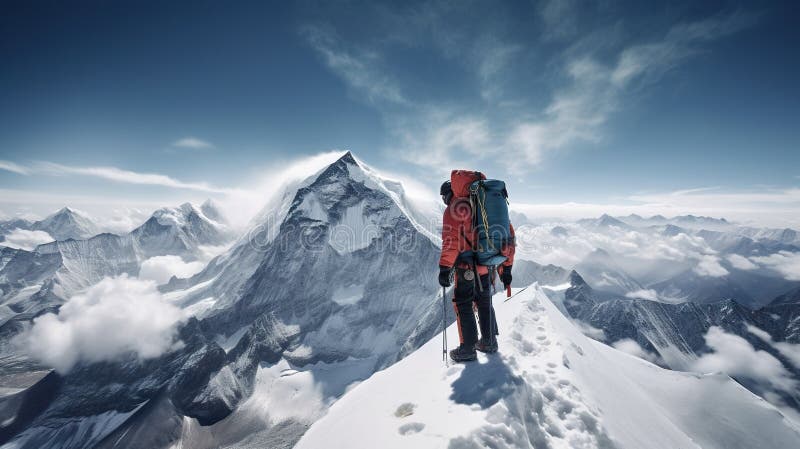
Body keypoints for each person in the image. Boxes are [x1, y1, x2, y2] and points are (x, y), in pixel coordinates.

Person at [438, 179, 515, 362]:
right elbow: (508, 235)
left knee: (463, 304)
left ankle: (468, 348)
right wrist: (507, 267)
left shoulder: (455, 208)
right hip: (487, 265)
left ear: (448, 194)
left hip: (466, 269)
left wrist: (444, 268)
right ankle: (489, 341)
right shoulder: (482, 204)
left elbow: (451, 242)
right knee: (484, 301)